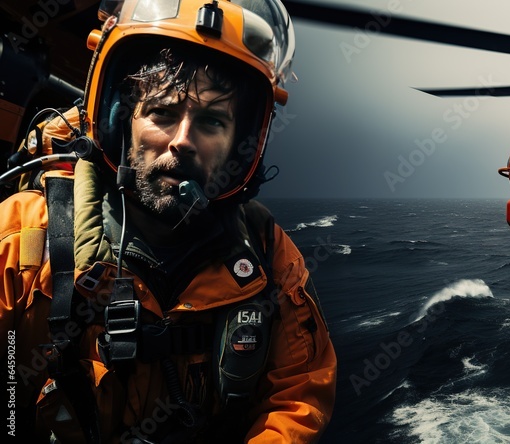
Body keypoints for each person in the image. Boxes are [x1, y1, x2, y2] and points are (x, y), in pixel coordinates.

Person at [0, 1, 336, 442]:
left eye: (212, 122)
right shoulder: (23, 235)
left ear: (239, 147)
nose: (183, 141)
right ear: (124, 121)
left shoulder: (268, 256)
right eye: (162, 113)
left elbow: (298, 395)